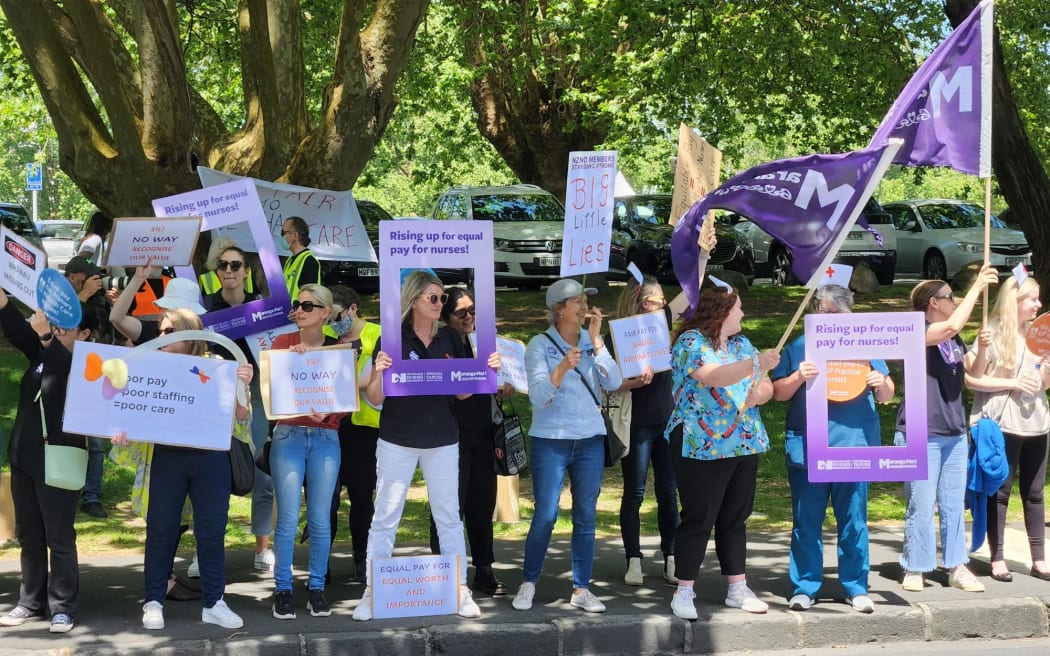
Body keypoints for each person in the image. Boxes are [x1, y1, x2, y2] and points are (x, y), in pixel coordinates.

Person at [353, 270, 499, 621]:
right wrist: (378, 372)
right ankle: (372, 592)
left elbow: (463, 392)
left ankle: (460, 590)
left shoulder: (450, 338)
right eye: (433, 298)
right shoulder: (392, 338)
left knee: (449, 516)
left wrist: (486, 372)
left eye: (442, 299)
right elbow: (374, 399)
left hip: (442, 439)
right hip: (397, 438)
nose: (440, 304)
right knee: (386, 516)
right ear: (414, 300)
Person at [112, 309, 253, 630]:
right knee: (160, 530)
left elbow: (241, 420)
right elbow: (135, 410)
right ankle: (153, 601)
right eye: (160, 331)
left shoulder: (220, 366)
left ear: (189, 334)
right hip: (167, 457)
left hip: (211, 460)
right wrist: (121, 428)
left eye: (168, 331)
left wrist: (243, 386)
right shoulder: (149, 367)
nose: (161, 337)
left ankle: (215, 602)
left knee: (212, 532)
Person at [771, 282, 895, 614]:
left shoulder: (864, 344)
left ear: (846, 314)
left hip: (854, 446)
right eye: (820, 312)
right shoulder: (799, 346)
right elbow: (778, 392)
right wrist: (798, 377)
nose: (823, 318)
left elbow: (887, 394)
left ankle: (856, 587)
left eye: (830, 313)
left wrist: (881, 383)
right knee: (806, 521)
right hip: (810, 447)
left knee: (854, 521)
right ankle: (805, 587)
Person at [665, 280, 778, 620]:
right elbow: (713, 376)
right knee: (700, 516)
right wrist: (755, 364)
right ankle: (685, 590)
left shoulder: (741, 343)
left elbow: (766, 383)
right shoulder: (689, 342)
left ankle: (737, 587)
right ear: (722, 311)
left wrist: (763, 392)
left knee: (735, 517)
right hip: (701, 442)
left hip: (743, 439)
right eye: (738, 307)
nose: (743, 312)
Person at [512, 278, 623, 614]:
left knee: (586, 516)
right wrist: (561, 367)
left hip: (589, 438)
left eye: (585, 300)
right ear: (559, 309)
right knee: (546, 514)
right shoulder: (538, 345)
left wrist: (597, 345)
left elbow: (615, 382)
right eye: (577, 301)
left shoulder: (593, 342)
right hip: (551, 440)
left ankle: (581, 588)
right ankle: (529, 582)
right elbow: (538, 396)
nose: (585, 306)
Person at [896, 265, 999, 593]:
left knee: (954, 504)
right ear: (932, 303)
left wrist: (982, 348)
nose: (954, 302)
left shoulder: (953, 338)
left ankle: (957, 565)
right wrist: (978, 285)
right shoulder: (914, 330)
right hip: (920, 430)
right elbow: (954, 323)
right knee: (921, 504)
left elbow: (974, 375)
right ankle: (915, 565)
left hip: (953, 432)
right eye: (949, 297)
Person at [0, 288, 95, 633]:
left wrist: (44, 338)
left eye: (66, 328)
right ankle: (30, 602)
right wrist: (4, 302)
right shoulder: (43, 352)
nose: (56, 331)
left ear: (85, 334)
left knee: (58, 535)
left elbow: (63, 374)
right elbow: (16, 331)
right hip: (25, 457)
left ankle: (63, 608)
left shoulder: (86, 365)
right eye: (55, 326)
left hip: (58, 458)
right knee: (29, 533)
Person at [964, 273, 1050, 582]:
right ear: (1014, 301)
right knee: (999, 492)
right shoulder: (993, 334)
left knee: (1035, 493)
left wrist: (1047, 365)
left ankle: (1039, 560)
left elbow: (1045, 384)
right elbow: (972, 379)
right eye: (1032, 299)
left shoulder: (1039, 336)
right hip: (1002, 423)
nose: (1038, 304)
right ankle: (997, 557)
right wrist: (1012, 381)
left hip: (1036, 423)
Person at [427, 288, 509, 596]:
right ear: (448, 317)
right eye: (462, 312)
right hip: (453, 434)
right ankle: (443, 569)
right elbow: (455, 382)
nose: (470, 317)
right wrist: (484, 373)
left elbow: (486, 381)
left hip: (482, 431)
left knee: (482, 502)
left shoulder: (479, 340)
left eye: (473, 310)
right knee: (450, 504)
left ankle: (484, 568)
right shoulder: (445, 340)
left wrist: (501, 383)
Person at [269, 284, 343, 620]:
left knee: (320, 518)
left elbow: (344, 403)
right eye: (298, 305)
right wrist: (289, 362)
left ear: (326, 313)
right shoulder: (282, 344)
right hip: (289, 434)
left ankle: (316, 588)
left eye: (308, 306)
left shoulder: (339, 350)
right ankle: (283, 589)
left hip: (326, 437)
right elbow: (272, 391)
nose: (300, 310)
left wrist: (325, 415)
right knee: (286, 517)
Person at [200, 245, 275, 573]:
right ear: (216, 272)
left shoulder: (264, 307)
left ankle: (262, 548)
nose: (228, 270)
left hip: (255, 396)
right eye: (222, 265)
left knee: (261, 473)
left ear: (246, 270)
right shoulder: (204, 309)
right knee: (209, 478)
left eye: (235, 265)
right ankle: (203, 554)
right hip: (214, 399)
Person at [612, 274, 679, 587]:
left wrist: (703, 255)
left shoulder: (662, 320)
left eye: (664, 301)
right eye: (656, 300)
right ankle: (633, 559)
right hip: (637, 422)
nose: (662, 305)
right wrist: (634, 383)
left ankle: (671, 556)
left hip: (666, 420)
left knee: (668, 492)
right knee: (635, 492)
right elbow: (610, 383)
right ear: (641, 301)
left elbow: (690, 294)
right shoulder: (621, 333)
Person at [327, 284, 380, 584]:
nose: (333, 322)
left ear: (353, 309)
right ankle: (322, 562)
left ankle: (362, 557)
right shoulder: (327, 339)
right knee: (327, 499)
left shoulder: (378, 334)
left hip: (365, 429)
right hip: (332, 426)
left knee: (362, 496)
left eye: (336, 315)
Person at [63, 255, 111, 520]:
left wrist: (113, 305)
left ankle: (92, 496)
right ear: (74, 278)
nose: (95, 282)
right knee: (67, 436)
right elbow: (59, 324)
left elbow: (107, 331)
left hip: (96, 371)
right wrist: (81, 297)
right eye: (88, 277)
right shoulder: (60, 296)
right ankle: (66, 490)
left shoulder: (98, 300)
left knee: (95, 441)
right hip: (67, 371)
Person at [280, 216, 322, 300]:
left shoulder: (309, 261)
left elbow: (309, 298)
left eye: (283, 233)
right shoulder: (289, 260)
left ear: (295, 235)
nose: (281, 237)